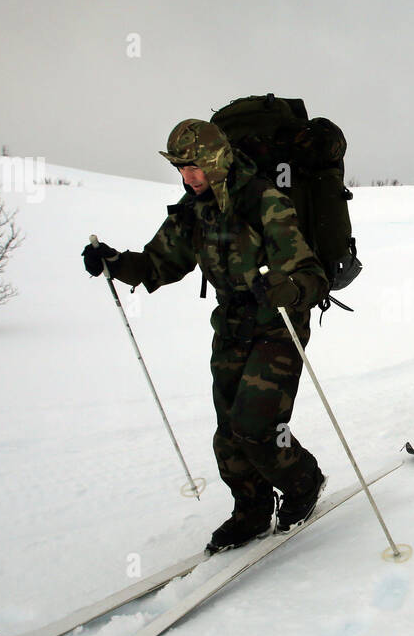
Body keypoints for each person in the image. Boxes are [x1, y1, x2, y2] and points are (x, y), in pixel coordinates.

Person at [81, 119, 329, 553]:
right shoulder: (195, 208)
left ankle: (304, 483)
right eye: (180, 168)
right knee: (229, 431)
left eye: (194, 166)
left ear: (217, 158)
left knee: (256, 424)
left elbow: (311, 276)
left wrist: (288, 289)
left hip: (278, 325)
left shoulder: (266, 202)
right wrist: (115, 261)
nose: (187, 177)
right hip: (231, 325)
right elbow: (160, 263)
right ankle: (251, 511)